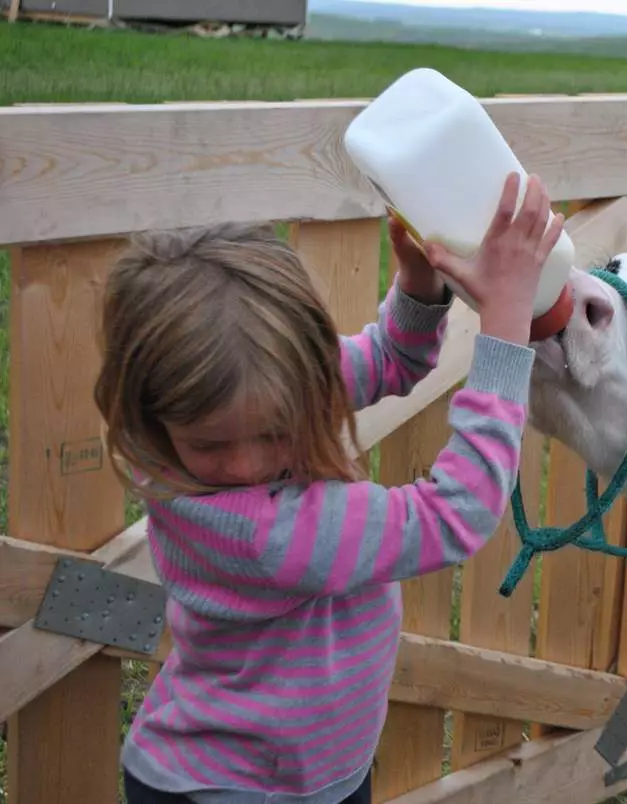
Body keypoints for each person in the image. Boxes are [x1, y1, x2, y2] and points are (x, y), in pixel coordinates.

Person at [94, 172, 564, 804]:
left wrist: (419, 282)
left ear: (305, 375)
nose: (245, 465)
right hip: (237, 790)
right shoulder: (266, 535)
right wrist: (505, 324)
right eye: (210, 444)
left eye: (275, 432)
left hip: (308, 773)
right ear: (152, 413)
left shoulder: (244, 387)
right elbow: (457, 514)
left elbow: (391, 360)